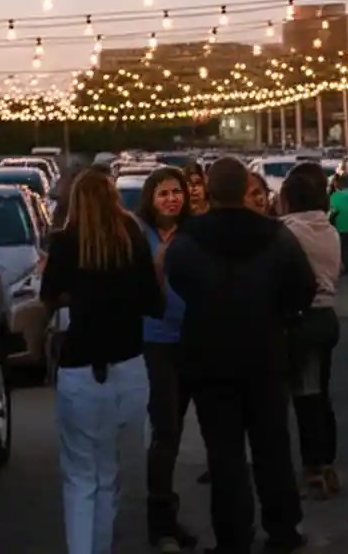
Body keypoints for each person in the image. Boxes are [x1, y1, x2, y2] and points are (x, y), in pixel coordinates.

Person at [165, 157, 317, 554]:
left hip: (209, 358)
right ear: (244, 188)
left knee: (224, 456)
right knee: (273, 449)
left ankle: (233, 538)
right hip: (266, 355)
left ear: (210, 191)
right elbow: (304, 288)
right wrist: (277, 312)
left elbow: (177, 278)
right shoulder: (277, 236)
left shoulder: (189, 238)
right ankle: (283, 530)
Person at [40, 168, 164, 554]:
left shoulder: (64, 242)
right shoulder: (132, 240)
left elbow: (48, 295)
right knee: (110, 473)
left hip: (81, 367)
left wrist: (78, 297)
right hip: (129, 365)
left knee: (80, 477)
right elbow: (154, 305)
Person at [135, 167, 199, 552]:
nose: (172, 198)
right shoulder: (138, 235)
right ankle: (160, 521)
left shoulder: (194, 233)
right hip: (154, 340)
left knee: (192, 427)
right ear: (151, 198)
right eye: (163, 193)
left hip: (194, 337)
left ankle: (174, 518)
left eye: (177, 192)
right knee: (166, 431)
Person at [279, 163, 343, 501]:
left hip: (301, 319)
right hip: (327, 318)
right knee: (321, 394)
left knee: (305, 397)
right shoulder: (329, 230)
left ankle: (314, 469)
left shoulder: (286, 231)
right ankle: (326, 464)